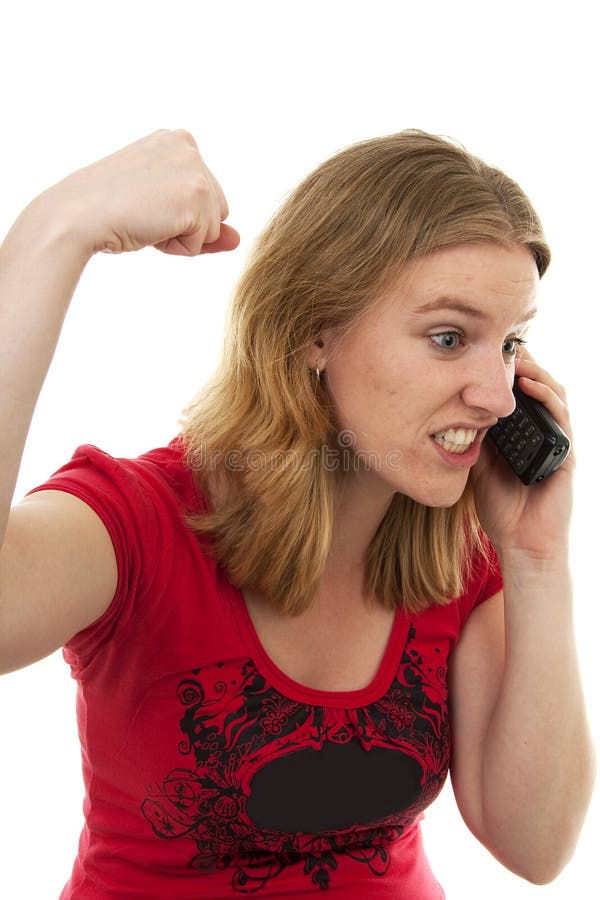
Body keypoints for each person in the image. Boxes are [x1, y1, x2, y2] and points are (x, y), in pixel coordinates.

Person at [0, 128, 595, 899]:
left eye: (510, 341)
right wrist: (56, 229)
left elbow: (537, 847)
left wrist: (539, 561)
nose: (498, 394)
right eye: (450, 338)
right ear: (316, 332)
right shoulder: (136, 522)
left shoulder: (464, 548)